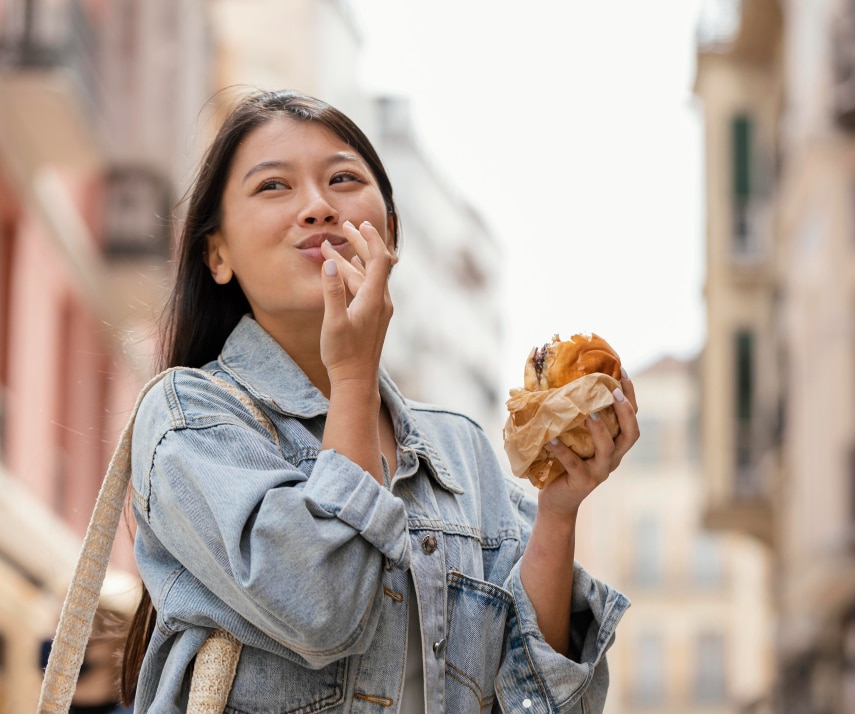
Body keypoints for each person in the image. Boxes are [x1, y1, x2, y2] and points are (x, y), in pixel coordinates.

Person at [119, 88, 639, 713]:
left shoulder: (462, 451)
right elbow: (323, 607)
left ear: (389, 233)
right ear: (217, 254)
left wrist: (557, 511)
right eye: (273, 187)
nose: (317, 208)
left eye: (342, 178)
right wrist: (353, 377)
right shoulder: (189, 417)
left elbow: (539, 701)